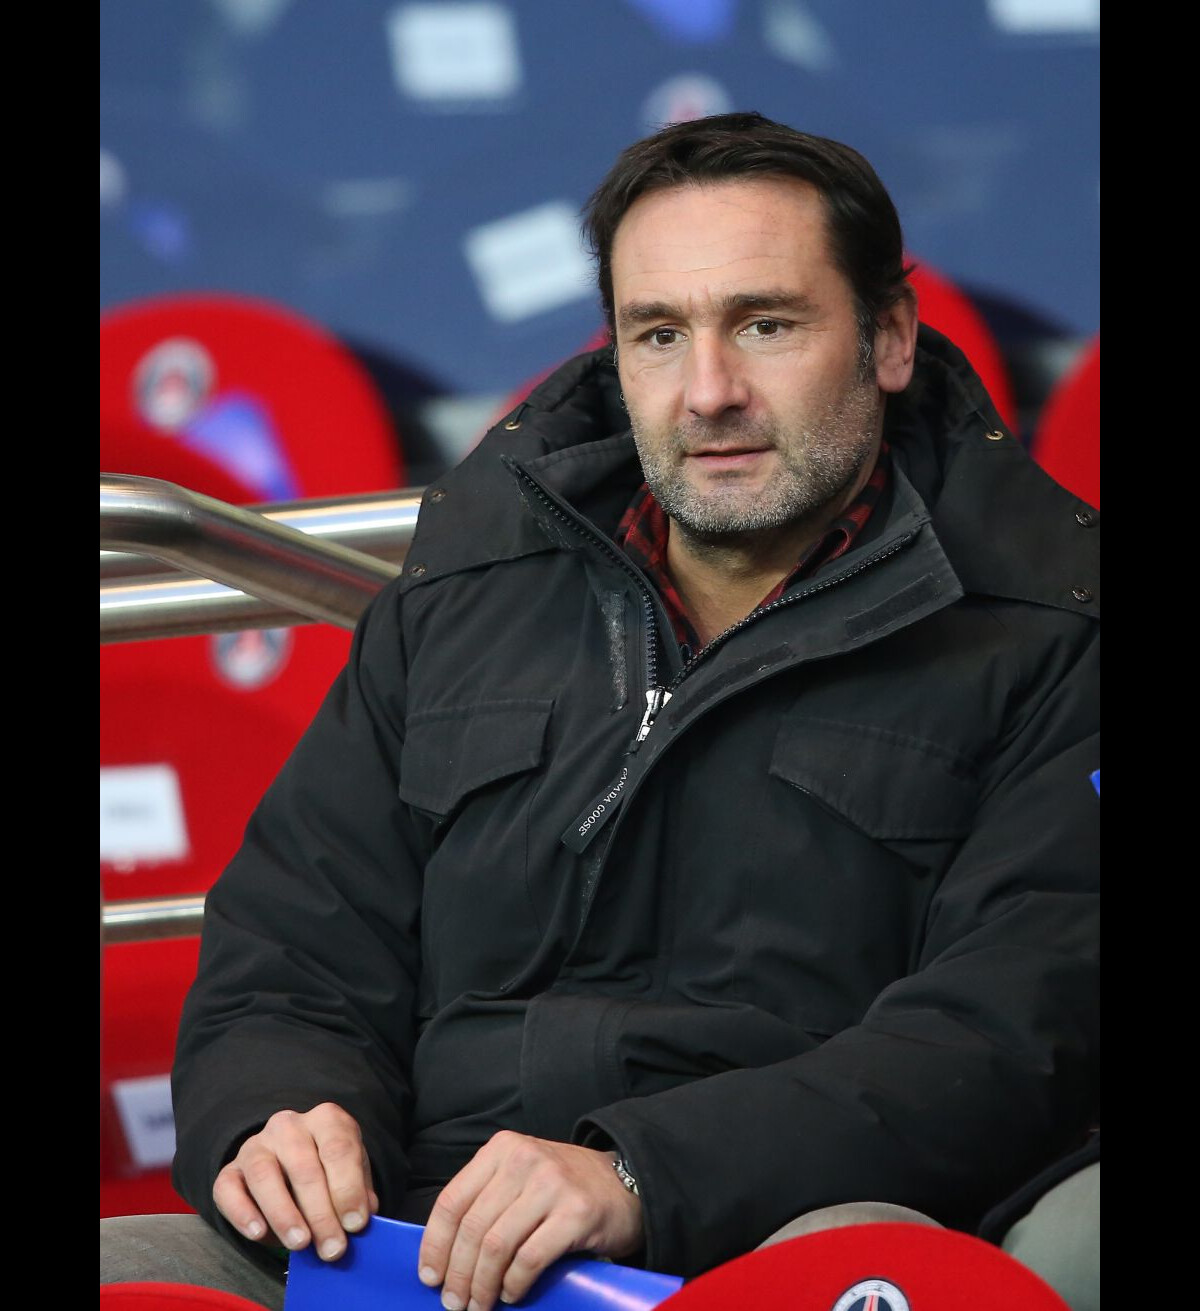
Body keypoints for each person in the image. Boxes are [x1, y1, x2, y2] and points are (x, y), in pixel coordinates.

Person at [100, 111, 1100, 1311]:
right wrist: (282, 1114)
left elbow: (1001, 1040)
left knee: (863, 1264)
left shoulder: (1051, 629)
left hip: (778, 1225)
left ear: (889, 338)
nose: (709, 391)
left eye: (766, 325)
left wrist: (638, 1171)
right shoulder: (462, 592)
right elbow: (294, 941)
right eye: (659, 335)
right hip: (404, 1231)